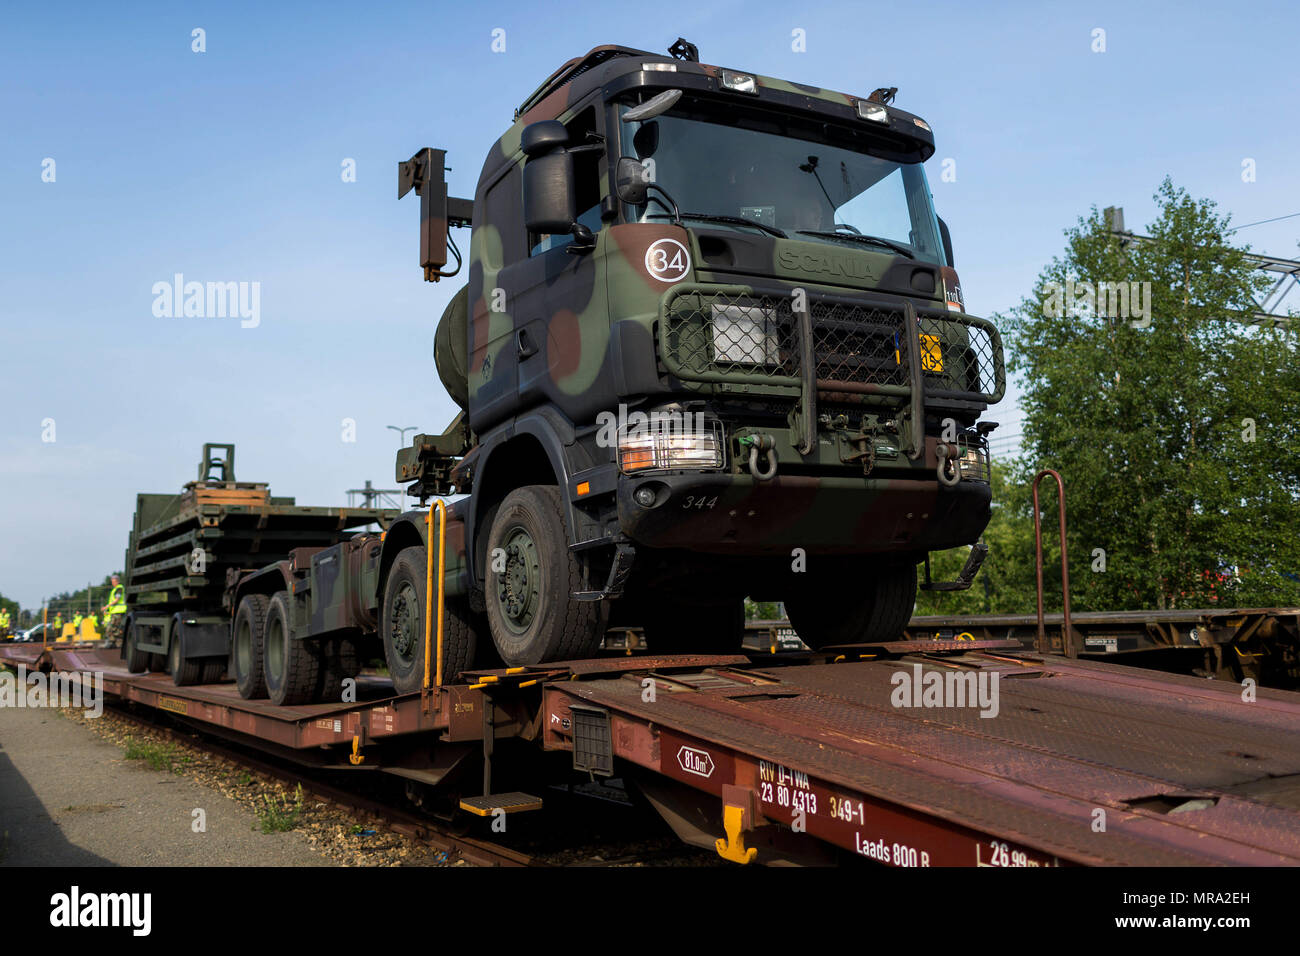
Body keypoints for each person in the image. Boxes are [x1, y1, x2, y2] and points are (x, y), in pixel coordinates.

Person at [102, 575, 128, 644]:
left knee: (113, 629)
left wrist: (107, 606)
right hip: (114, 612)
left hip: (119, 611)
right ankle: (115, 642)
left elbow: (117, 600)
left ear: (117, 581)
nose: (112, 583)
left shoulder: (119, 588)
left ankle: (115, 642)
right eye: (112, 582)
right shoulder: (115, 589)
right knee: (114, 629)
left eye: (114, 582)